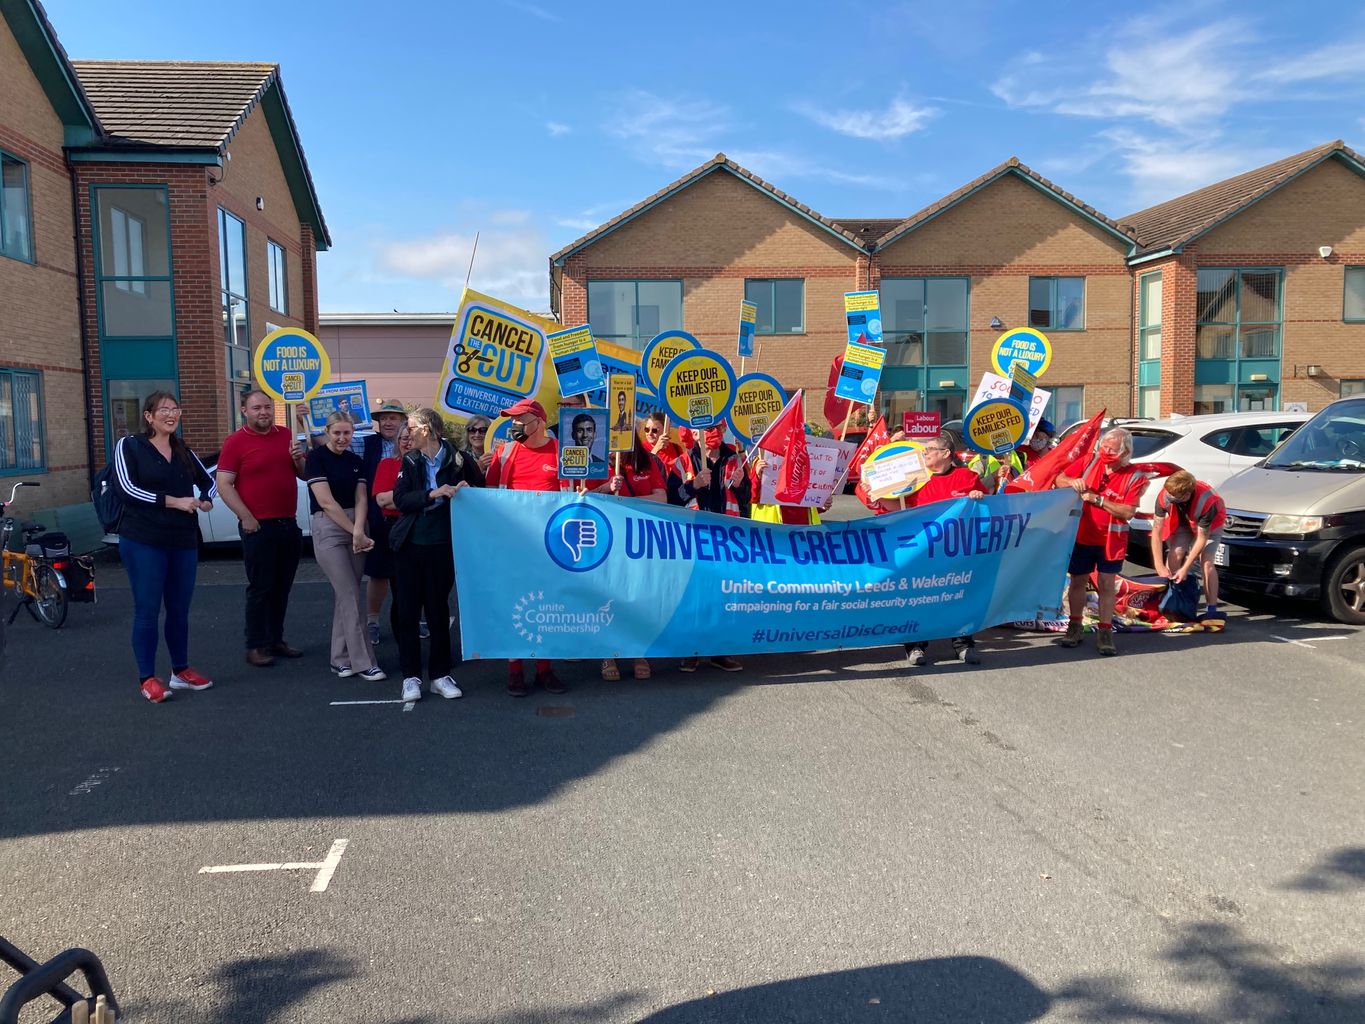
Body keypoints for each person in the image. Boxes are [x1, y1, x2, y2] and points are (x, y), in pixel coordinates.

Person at [112, 392, 216, 703]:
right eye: (163, 410)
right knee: (147, 610)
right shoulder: (129, 446)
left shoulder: (183, 449)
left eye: (174, 409)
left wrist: (207, 500)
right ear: (148, 416)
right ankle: (147, 678)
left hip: (182, 539)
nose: (170, 414)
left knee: (179, 609)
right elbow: (127, 489)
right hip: (143, 539)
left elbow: (208, 481)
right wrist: (175, 502)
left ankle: (180, 671)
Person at [390, 407, 485, 702]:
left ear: (427, 429)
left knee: (438, 610)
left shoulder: (459, 458)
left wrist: (468, 488)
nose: (406, 434)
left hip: (442, 544)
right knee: (407, 612)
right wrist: (433, 493)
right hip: (409, 545)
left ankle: (440, 675)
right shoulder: (410, 460)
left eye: (411, 428)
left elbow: (481, 491)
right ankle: (410, 677)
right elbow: (400, 500)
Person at [216, 389, 307, 667]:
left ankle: (275, 639)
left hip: (287, 524)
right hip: (258, 527)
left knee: (282, 587)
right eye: (256, 408)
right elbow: (223, 484)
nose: (263, 412)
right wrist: (246, 517)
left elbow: (303, 473)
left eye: (267, 407)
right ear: (245, 411)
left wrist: (298, 457)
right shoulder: (236, 442)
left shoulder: (285, 435)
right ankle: (255, 645)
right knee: (260, 588)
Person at [485, 398, 569, 696]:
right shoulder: (504, 453)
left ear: (539, 421)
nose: (514, 425)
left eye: (520, 419)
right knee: (514, 605)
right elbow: (490, 497)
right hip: (513, 545)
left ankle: (544, 669)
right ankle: (515, 670)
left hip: (551, 545)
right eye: (512, 420)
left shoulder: (562, 451)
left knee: (546, 605)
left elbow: (575, 494)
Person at [891, 434, 989, 666]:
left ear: (946, 453)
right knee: (920, 598)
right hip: (923, 552)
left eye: (930, 450)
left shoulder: (966, 477)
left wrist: (978, 496)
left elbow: (988, 503)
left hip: (957, 551)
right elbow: (894, 506)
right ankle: (915, 647)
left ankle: (964, 645)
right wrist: (870, 491)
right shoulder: (915, 480)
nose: (925, 453)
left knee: (959, 596)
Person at [305, 412, 386, 682]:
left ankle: (339, 659)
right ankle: (365, 662)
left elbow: (362, 497)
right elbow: (326, 502)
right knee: (351, 595)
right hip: (329, 528)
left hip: (357, 527)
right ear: (327, 432)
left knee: (346, 596)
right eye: (337, 433)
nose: (342, 438)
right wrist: (355, 532)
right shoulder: (316, 459)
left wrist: (360, 529)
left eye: (347, 433)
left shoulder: (356, 460)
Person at [1055, 427, 1148, 656]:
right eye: (1103, 447)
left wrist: (1098, 500)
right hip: (1082, 535)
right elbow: (1058, 479)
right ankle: (1074, 626)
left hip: (1111, 540)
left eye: (1111, 449)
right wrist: (1072, 482)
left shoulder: (1134, 476)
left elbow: (1127, 512)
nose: (1105, 452)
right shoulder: (1089, 462)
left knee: (1107, 585)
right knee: (1078, 582)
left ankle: (1105, 632)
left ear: (1125, 452)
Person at [667, 427, 750, 672]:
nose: (708, 433)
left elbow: (746, 500)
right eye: (703, 430)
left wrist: (741, 485)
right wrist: (693, 486)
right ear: (691, 433)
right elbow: (671, 500)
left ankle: (719, 651)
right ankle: (690, 650)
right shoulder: (682, 462)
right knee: (694, 596)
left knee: (722, 596)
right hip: (694, 539)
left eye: (713, 428)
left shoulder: (734, 458)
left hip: (727, 538)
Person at [593, 430, 665, 682]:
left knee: (637, 596)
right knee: (608, 597)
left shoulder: (647, 463)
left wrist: (625, 503)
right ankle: (607, 653)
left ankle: (638, 652)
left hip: (638, 542)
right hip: (607, 543)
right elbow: (581, 498)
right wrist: (605, 487)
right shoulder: (596, 462)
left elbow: (661, 497)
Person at [1148, 469, 1227, 620]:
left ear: (1186, 496)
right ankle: (1172, 602)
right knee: (1174, 553)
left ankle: (1211, 609)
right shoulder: (1165, 495)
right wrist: (1159, 565)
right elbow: (1157, 531)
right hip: (1184, 522)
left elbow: (1202, 539)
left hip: (1210, 525)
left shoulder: (1207, 501)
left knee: (1207, 561)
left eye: (1174, 499)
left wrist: (1185, 569)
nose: (1170, 499)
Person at [362, 400, 408, 646]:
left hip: (409, 522)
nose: (388, 422)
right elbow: (333, 442)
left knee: (410, 575)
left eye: (394, 417)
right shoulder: (367, 443)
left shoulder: (415, 444)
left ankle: (413, 619)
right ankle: (372, 621)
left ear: (403, 421)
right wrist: (305, 420)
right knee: (378, 573)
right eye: (384, 418)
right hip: (378, 520)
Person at [643, 412, 686, 481]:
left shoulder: (676, 448)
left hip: (673, 488)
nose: (649, 433)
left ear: (666, 430)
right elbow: (643, 470)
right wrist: (656, 449)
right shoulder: (641, 449)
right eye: (647, 429)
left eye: (654, 430)